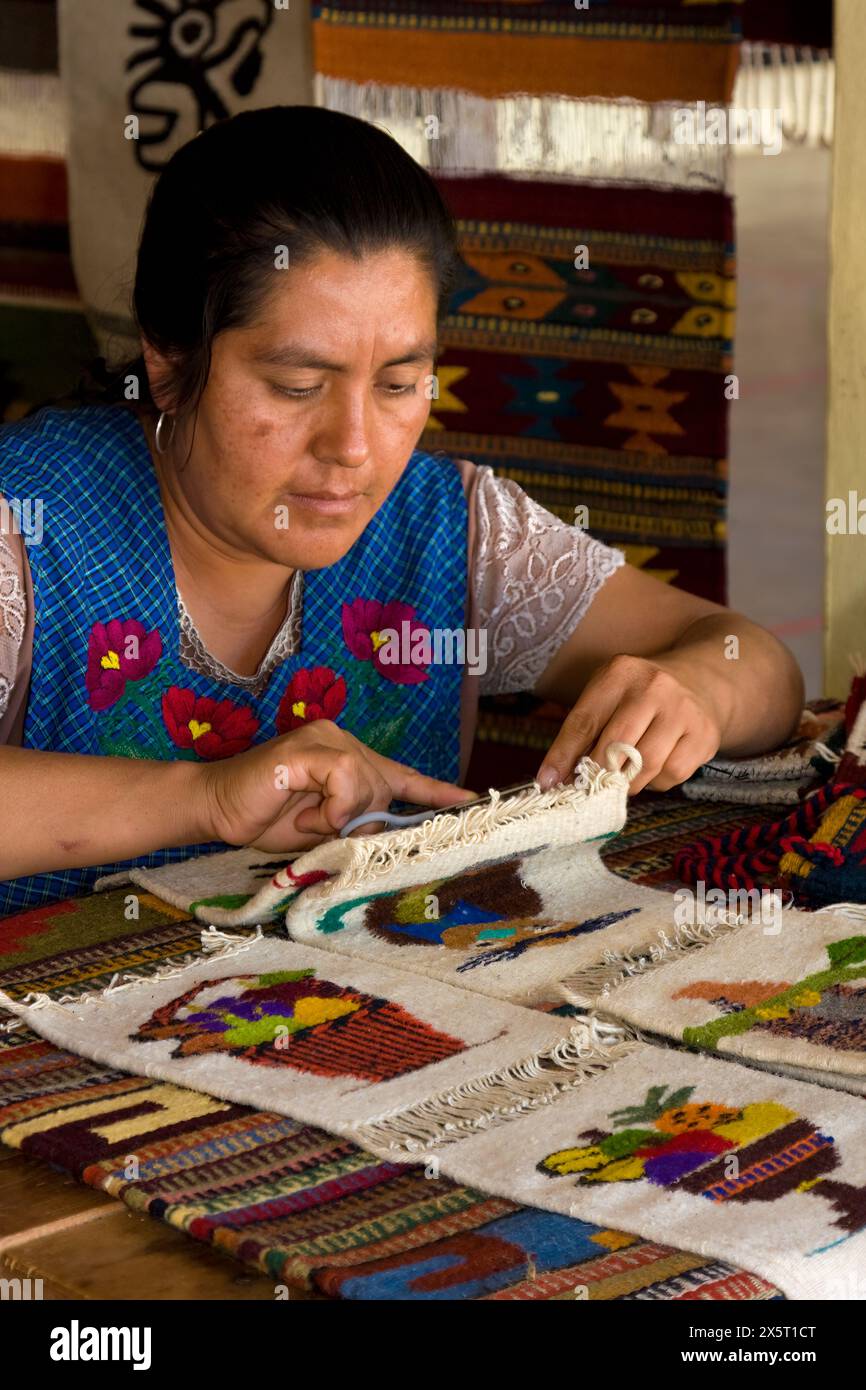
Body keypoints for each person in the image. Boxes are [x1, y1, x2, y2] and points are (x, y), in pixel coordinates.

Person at [0, 106, 803, 914]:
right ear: (168, 363)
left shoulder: (449, 530)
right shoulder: (26, 525)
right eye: (297, 386)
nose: (354, 447)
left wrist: (693, 687)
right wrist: (203, 797)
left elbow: (759, 664)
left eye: (396, 385)